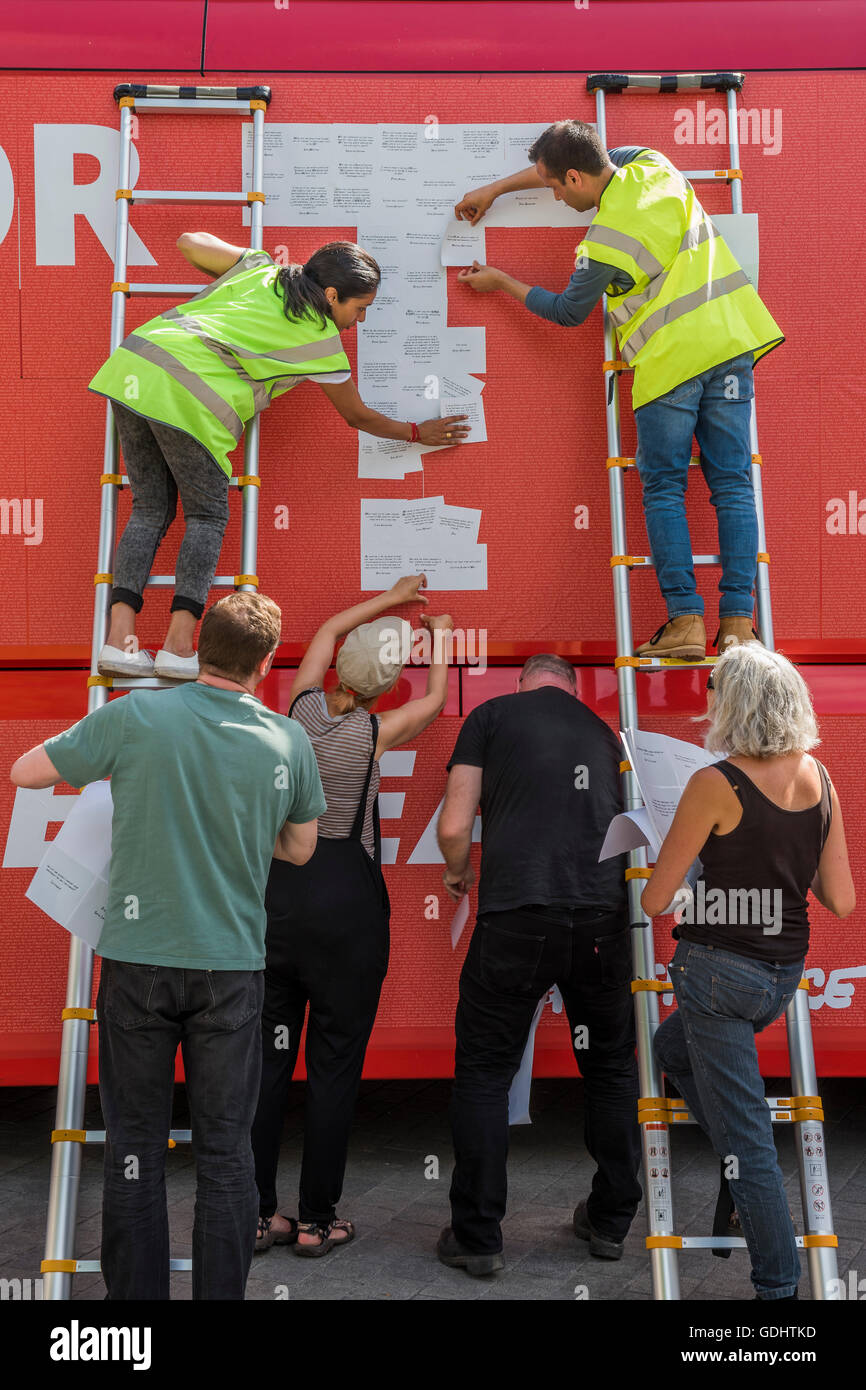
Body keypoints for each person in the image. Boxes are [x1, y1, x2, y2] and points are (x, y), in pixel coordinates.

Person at [11, 593, 327, 1300]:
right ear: (267, 664)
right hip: (231, 971)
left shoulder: (135, 716)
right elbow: (302, 848)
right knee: (225, 1155)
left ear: (198, 651)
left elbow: (26, 772)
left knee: (134, 1152)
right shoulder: (287, 741)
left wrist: (116, 767)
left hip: (136, 966)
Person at [453, 122, 784, 660]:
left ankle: (684, 621)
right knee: (733, 485)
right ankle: (740, 625)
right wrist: (495, 189)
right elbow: (567, 162)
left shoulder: (601, 244)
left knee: (663, 490)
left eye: (557, 188)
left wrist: (502, 281)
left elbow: (566, 312)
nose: (555, 197)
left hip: (669, 367)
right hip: (731, 345)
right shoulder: (652, 163)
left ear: (577, 177)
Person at [89, 236, 470, 682]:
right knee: (207, 517)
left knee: (151, 509)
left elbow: (189, 242)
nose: (361, 319)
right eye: (359, 307)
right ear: (331, 296)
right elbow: (355, 415)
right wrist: (414, 433)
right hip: (185, 396)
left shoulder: (259, 268)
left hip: (133, 367)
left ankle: (119, 643)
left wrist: (248, 276)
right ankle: (177, 646)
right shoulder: (322, 341)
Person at [642, 643, 855, 1301]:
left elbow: (656, 900)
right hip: (779, 977)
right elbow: (842, 900)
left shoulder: (714, 783)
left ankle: (777, 1289)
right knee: (669, 1048)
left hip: (714, 973)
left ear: (731, 706)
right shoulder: (819, 779)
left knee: (751, 1141)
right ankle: (741, 1180)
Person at [252, 573, 454, 1256]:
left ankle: (256, 1213)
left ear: (337, 670)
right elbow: (434, 699)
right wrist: (442, 640)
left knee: (266, 1061)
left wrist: (393, 600)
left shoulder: (299, 706)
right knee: (334, 1066)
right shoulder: (377, 730)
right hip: (347, 904)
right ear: (382, 688)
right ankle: (315, 1221)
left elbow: (333, 628)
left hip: (278, 893)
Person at [435, 654, 641, 1276]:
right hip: (602, 921)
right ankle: (609, 1221)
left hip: (516, 916)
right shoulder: (607, 733)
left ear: (521, 683)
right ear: (572, 689)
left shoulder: (491, 715)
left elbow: (453, 824)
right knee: (609, 1067)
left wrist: (457, 870)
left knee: (483, 1072)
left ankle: (477, 1237)